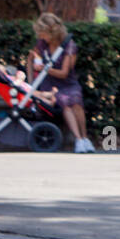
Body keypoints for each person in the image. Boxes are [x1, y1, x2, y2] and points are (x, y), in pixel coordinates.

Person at [26, 14, 93, 153]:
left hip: (68, 82)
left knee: (76, 101)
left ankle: (85, 138)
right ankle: (78, 139)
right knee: (64, 102)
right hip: (49, 84)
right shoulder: (42, 44)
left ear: (52, 32)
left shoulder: (69, 45)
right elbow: (30, 60)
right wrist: (31, 82)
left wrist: (45, 69)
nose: (41, 37)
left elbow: (64, 73)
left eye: (43, 33)